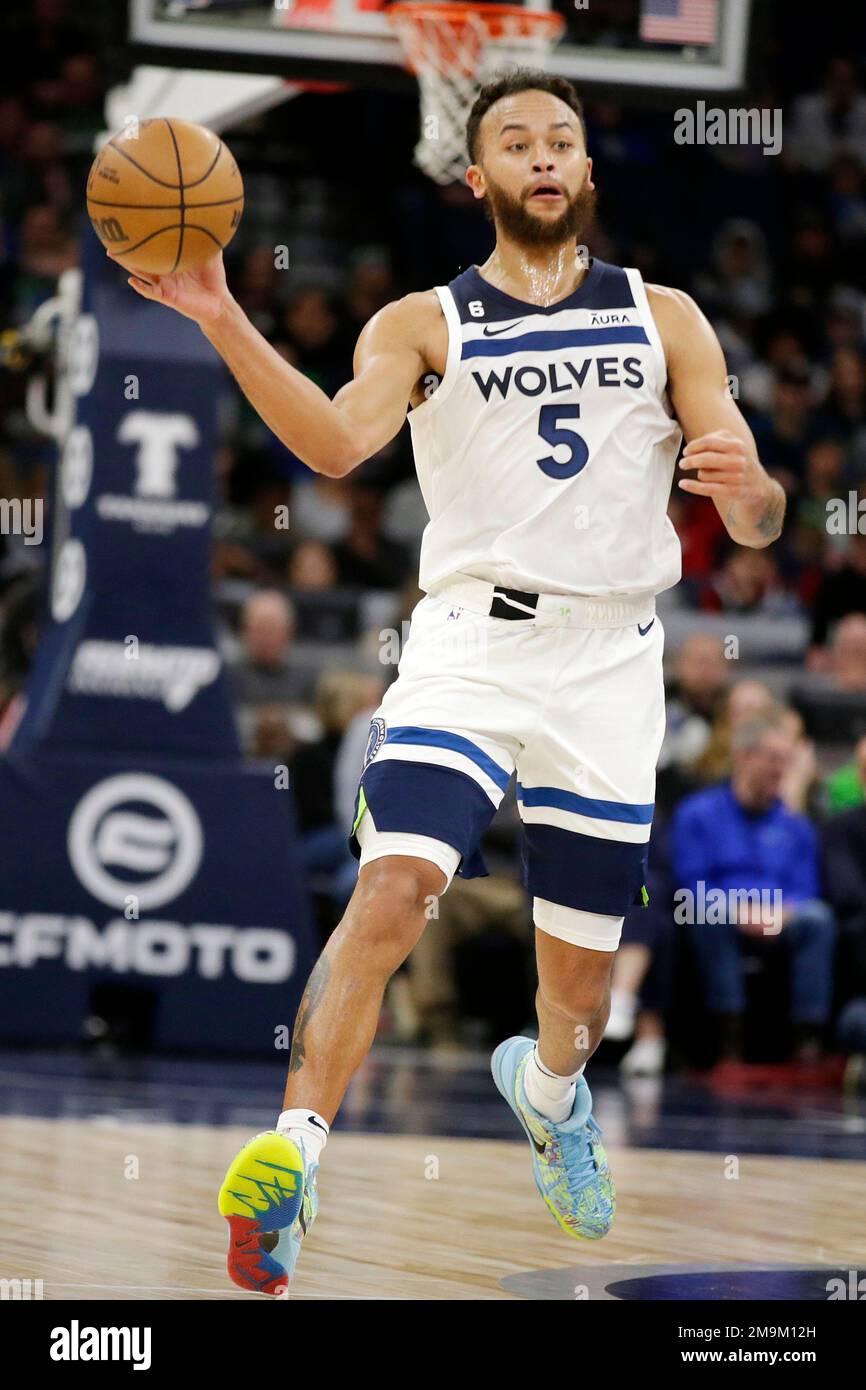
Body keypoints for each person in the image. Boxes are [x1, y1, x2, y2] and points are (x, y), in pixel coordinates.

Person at [111, 69, 786, 1297]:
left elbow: (754, 520)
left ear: (584, 173)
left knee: (573, 989)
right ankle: (292, 1157)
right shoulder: (422, 322)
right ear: (476, 180)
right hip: (469, 645)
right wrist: (215, 312)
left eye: (560, 141)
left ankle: (549, 1090)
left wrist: (744, 488)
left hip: (612, 661)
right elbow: (327, 443)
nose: (541, 156)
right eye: (514, 143)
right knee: (396, 888)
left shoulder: (666, 315)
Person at [672, 712, 835, 1070]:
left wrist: (780, 914)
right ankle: (729, 1039)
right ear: (744, 756)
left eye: (787, 762)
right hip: (719, 910)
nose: (781, 770)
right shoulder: (698, 814)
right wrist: (739, 913)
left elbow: (808, 889)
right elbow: (689, 882)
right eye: (774, 759)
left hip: (781, 916)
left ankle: (808, 1041)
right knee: (701, 910)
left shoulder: (795, 825)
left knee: (819, 919)